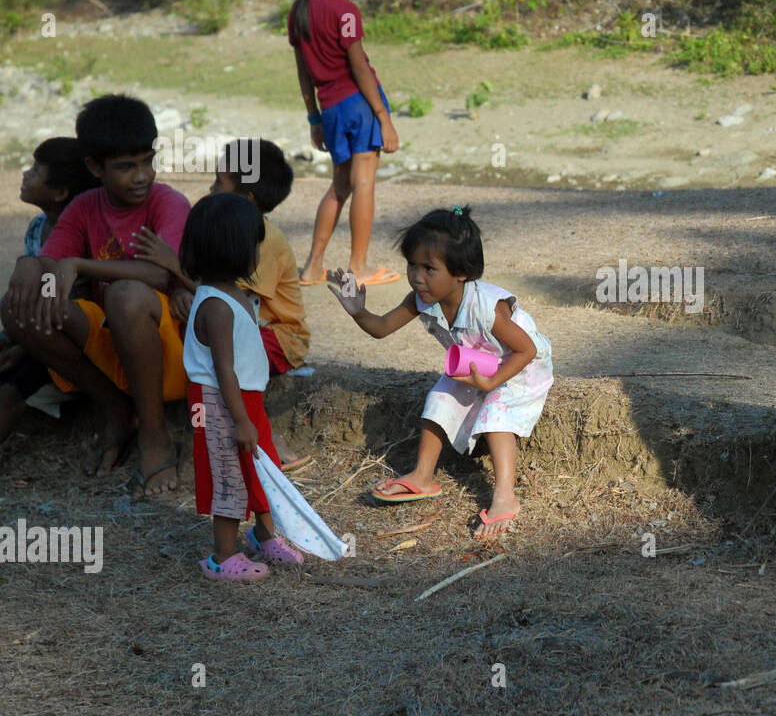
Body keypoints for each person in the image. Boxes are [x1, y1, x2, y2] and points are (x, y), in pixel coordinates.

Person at [0, 95, 190, 493]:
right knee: (16, 310)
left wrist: (82, 265)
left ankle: (154, 433)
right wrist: (28, 265)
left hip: (167, 352)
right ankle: (114, 407)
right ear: (94, 167)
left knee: (126, 295)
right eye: (125, 167)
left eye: (146, 161)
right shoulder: (85, 207)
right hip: (111, 348)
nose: (141, 176)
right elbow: (51, 266)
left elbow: (158, 274)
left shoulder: (167, 203)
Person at [328, 206, 554, 538]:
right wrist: (358, 312)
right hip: (474, 363)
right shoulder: (422, 299)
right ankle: (422, 475)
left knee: (496, 412)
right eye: (412, 265)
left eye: (429, 268)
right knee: (439, 396)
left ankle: (505, 496)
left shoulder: (488, 308)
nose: (417, 276)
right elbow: (380, 328)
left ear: (460, 272)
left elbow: (527, 350)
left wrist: (491, 382)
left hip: (518, 365)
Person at [132, 138, 312, 470]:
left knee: (226, 363)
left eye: (219, 182)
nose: (211, 188)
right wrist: (184, 292)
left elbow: (231, 296)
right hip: (248, 324)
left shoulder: (260, 239)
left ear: (246, 199)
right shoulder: (231, 232)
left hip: (279, 336)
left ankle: (268, 441)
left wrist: (174, 266)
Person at [181, 192, 303, 581]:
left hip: (244, 400)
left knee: (263, 467)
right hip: (221, 403)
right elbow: (224, 371)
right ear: (237, 250)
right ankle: (223, 556)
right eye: (255, 245)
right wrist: (240, 420)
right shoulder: (215, 306)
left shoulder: (233, 293)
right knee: (228, 473)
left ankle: (264, 536)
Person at [289, 0, 401, 289]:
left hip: (331, 109)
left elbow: (303, 73)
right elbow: (359, 68)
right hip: (359, 104)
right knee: (363, 183)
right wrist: (384, 118)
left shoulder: (299, 9)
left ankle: (312, 267)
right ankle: (359, 267)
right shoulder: (345, 11)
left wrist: (313, 118)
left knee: (340, 186)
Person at [0, 138, 99, 446]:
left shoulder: (83, 238)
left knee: (8, 396)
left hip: (63, 347)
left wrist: (27, 347)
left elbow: (58, 306)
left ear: (59, 192)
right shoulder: (37, 227)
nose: (25, 174)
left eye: (36, 169)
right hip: (32, 335)